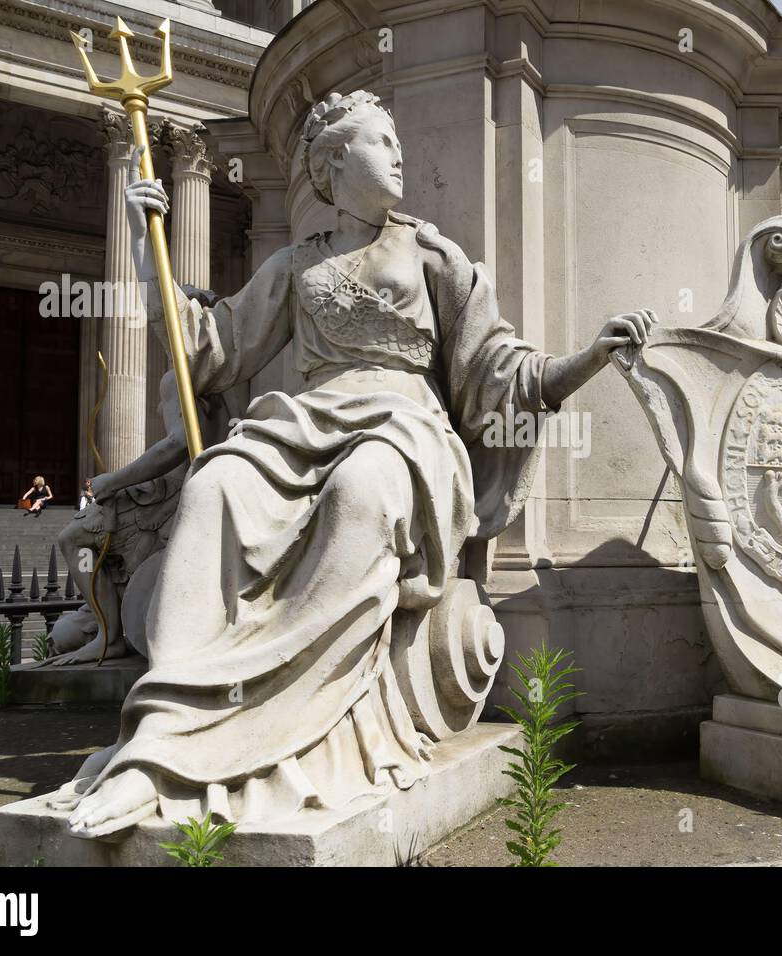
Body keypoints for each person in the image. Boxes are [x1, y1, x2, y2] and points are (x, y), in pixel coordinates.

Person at [56, 90, 657, 837]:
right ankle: (161, 739)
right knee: (216, 484)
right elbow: (213, 350)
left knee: (361, 489)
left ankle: (285, 727)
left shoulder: (432, 255)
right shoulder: (294, 265)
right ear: (334, 164)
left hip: (405, 430)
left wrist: (584, 361)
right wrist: (153, 261)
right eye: (382, 142)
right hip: (307, 421)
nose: (401, 155)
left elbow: (500, 371)